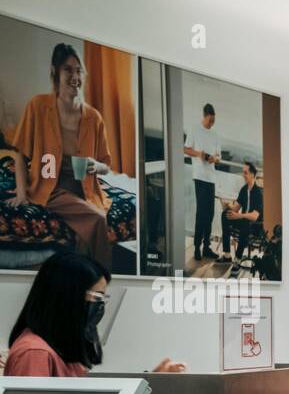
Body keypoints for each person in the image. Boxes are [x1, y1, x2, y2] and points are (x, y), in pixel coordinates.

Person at [4, 44, 115, 269]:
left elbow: (107, 166)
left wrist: (96, 165)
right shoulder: (38, 105)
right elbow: (19, 154)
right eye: (68, 70)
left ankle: (81, 279)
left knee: (87, 231)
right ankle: (103, 277)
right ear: (55, 71)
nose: (75, 77)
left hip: (86, 189)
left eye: (79, 71)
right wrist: (23, 194)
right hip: (50, 189)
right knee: (98, 219)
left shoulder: (94, 117)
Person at [5, 251, 186, 377]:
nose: (100, 306)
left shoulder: (62, 350)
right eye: (97, 297)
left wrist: (152, 382)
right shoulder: (35, 353)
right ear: (68, 297)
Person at [183, 103, 221, 262]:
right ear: (204, 116)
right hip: (199, 177)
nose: (212, 123)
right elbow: (185, 149)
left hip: (211, 178)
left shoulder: (216, 135)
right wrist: (200, 154)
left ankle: (207, 247)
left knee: (210, 214)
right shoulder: (194, 129)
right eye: (210, 120)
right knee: (201, 214)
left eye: (214, 121)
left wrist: (214, 158)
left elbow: (219, 157)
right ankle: (197, 247)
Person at [218, 160, 263, 265]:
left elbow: (255, 216)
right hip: (244, 220)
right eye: (243, 172)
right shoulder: (244, 189)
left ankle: (238, 259)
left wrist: (239, 216)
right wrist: (227, 206)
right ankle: (227, 255)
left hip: (255, 225)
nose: (243, 175)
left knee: (245, 223)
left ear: (252, 174)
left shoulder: (258, 193)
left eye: (245, 173)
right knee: (225, 215)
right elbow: (235, 209)